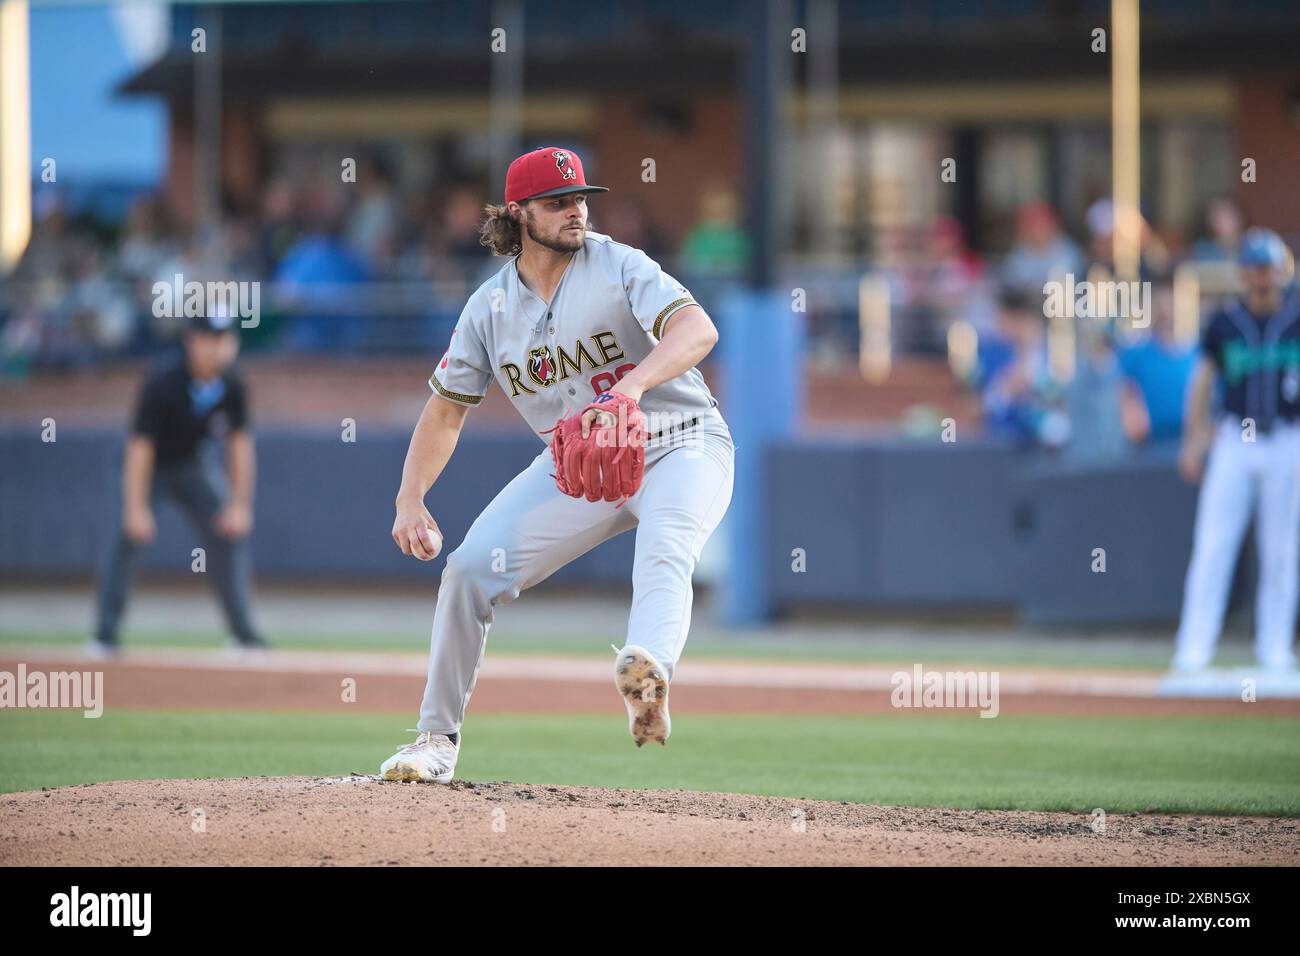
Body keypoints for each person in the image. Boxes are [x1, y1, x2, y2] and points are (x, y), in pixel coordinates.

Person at [379, 146, 735, 783]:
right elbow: (445, 411)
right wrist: (411, 498)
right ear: (518, 215)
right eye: (558, 202)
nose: (577, 211)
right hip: (578, 464)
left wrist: (629, 389)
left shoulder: (620, 265)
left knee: (666, 547)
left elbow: (697, 331)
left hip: (682, 440)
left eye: (581, 198)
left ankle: (647, 673)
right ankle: (435, 744)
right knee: (466, 571)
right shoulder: (489, 309)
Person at [90, 312, 268, 656]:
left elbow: (240, 446)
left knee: (229, 531)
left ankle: (244, 635)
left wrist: (240, 505)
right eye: (212, 340)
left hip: (192, 465)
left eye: (226, 340)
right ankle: (104, 636)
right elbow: (140, 447)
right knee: (126, 537)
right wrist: (136, 507)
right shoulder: (163, 380)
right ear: (192, 342)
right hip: (149, 466)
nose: (220, 348)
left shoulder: (233, 383)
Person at [1172, 228, 1300, 673]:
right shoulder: (1225, 321)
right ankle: (1193, 650)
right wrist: (1194, 440)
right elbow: (1203, 382)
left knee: (1281, 551)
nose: (1258, 278)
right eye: (1251, 269)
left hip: (1286, 438)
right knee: (1213, 545)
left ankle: (1274, 648)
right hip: (1235, 439)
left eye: (1265, 268)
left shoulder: (1296, 318)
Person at [1117, 281, 1196, 447]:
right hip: (1149, 446)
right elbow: (1124, 391)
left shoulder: (1195, 353)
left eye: (1169, 303)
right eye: (1158, 304)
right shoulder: (1136, 354)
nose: (1165, 311)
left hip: (1187, 442)